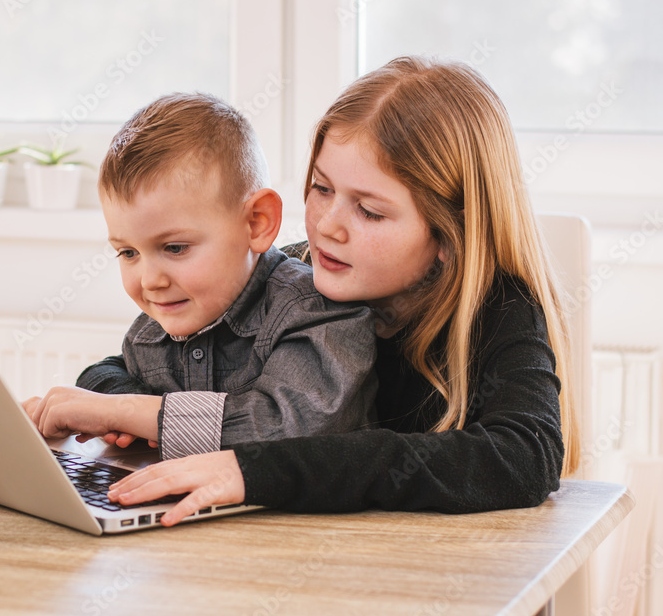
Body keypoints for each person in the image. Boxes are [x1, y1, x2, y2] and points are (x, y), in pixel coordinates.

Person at [76, 56, 580, 526]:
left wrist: (255, 469)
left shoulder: (499, 307)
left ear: (450, 236)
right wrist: (125, 407)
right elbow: (136, 362)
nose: (327, 228)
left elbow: (523, 459)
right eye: (321, 189)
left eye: (370, 211)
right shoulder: (297, 271)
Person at [24, 92, 378, 460]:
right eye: (128, 252)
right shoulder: (150, 333)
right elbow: (103, 375)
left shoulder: (316, 311)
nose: (150, 281)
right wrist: (107, 409)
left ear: (257, 223)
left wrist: (125, 412)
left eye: (175, 248)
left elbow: (287, 428)